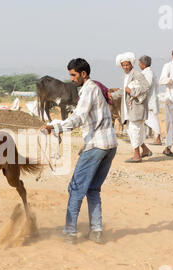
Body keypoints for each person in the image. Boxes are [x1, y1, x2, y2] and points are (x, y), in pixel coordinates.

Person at [41, 58, 118, 244]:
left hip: (96, 146)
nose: (71, 78)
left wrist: (55, 127)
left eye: (73, 75)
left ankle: (70, 232)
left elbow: (78, 118)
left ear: (84, 74)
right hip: (110, 145)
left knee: (75, 188)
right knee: (93, 189)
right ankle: (97, 230)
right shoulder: (94, 89)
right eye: (70, 75)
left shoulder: (89, 90)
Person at [110, 52, 151, 162]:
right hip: (127, 109)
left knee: (135, 130)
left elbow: (146, 87)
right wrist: (111, 96)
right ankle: (145, 150)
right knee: (131, 130)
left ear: (131, 64)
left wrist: (132, 91)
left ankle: (137, 155)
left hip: (136, 108)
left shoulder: (137, 74)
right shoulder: (125, 76)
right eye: (123, 65)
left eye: (127, 64)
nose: (125, 67)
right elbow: (123, 92)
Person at [139, 55, 161, 145]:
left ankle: (158, 138)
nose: (139, 64)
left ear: (143, 64)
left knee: (152, 119)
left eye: (140, 63)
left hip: (149, 101)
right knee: (149, 119)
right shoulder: (148, 72)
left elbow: (146, 85)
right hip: (149, 100)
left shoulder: (148, 73)